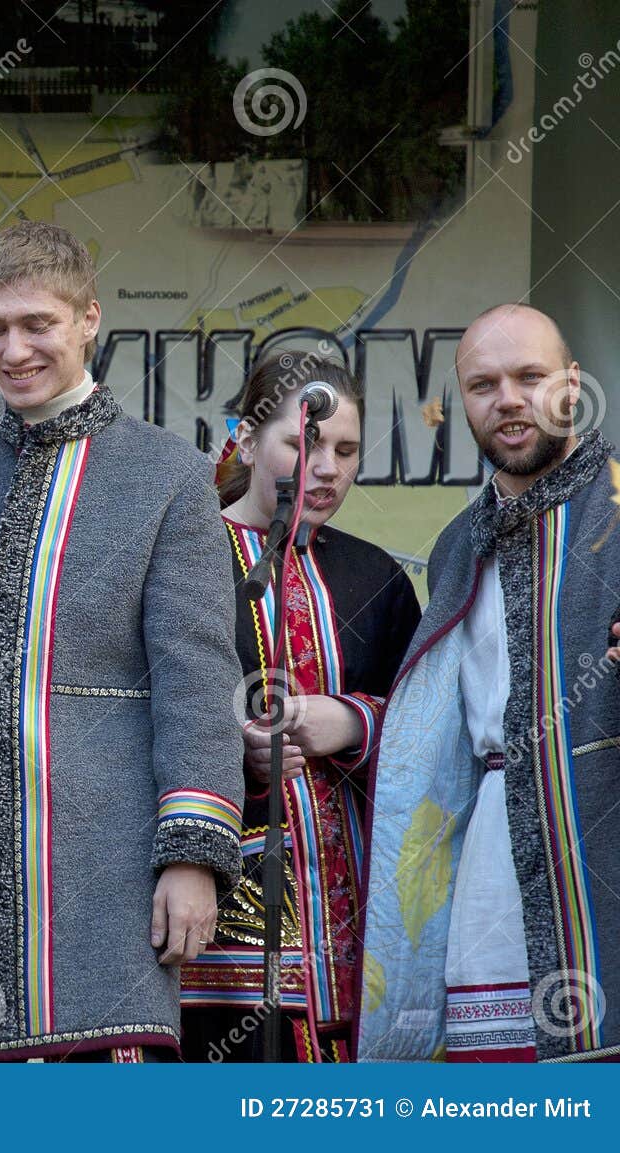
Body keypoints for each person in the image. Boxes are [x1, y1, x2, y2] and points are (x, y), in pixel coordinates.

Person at [0, 220, 243, 1061]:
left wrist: (193, 855)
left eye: (36, 324)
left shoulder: (169, 473)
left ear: (89, 317)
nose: (13, 349)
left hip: (110, 867)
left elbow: (196, 674)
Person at [361, 303, 619, 1063]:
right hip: (486, 862)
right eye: (484, 384)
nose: (508, 398)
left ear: (573, 383)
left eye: (530, 377)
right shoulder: (454, 545)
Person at [179, 354, 420, 1062]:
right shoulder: (185, 557)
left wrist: (350, 721)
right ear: (248, 441)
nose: (326, 468)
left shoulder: (377, 576)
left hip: (353, 920)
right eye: (303, 444)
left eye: (345, 450)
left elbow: (431, 723)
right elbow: (142, 710)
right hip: (222, 920)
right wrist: (240, 753)